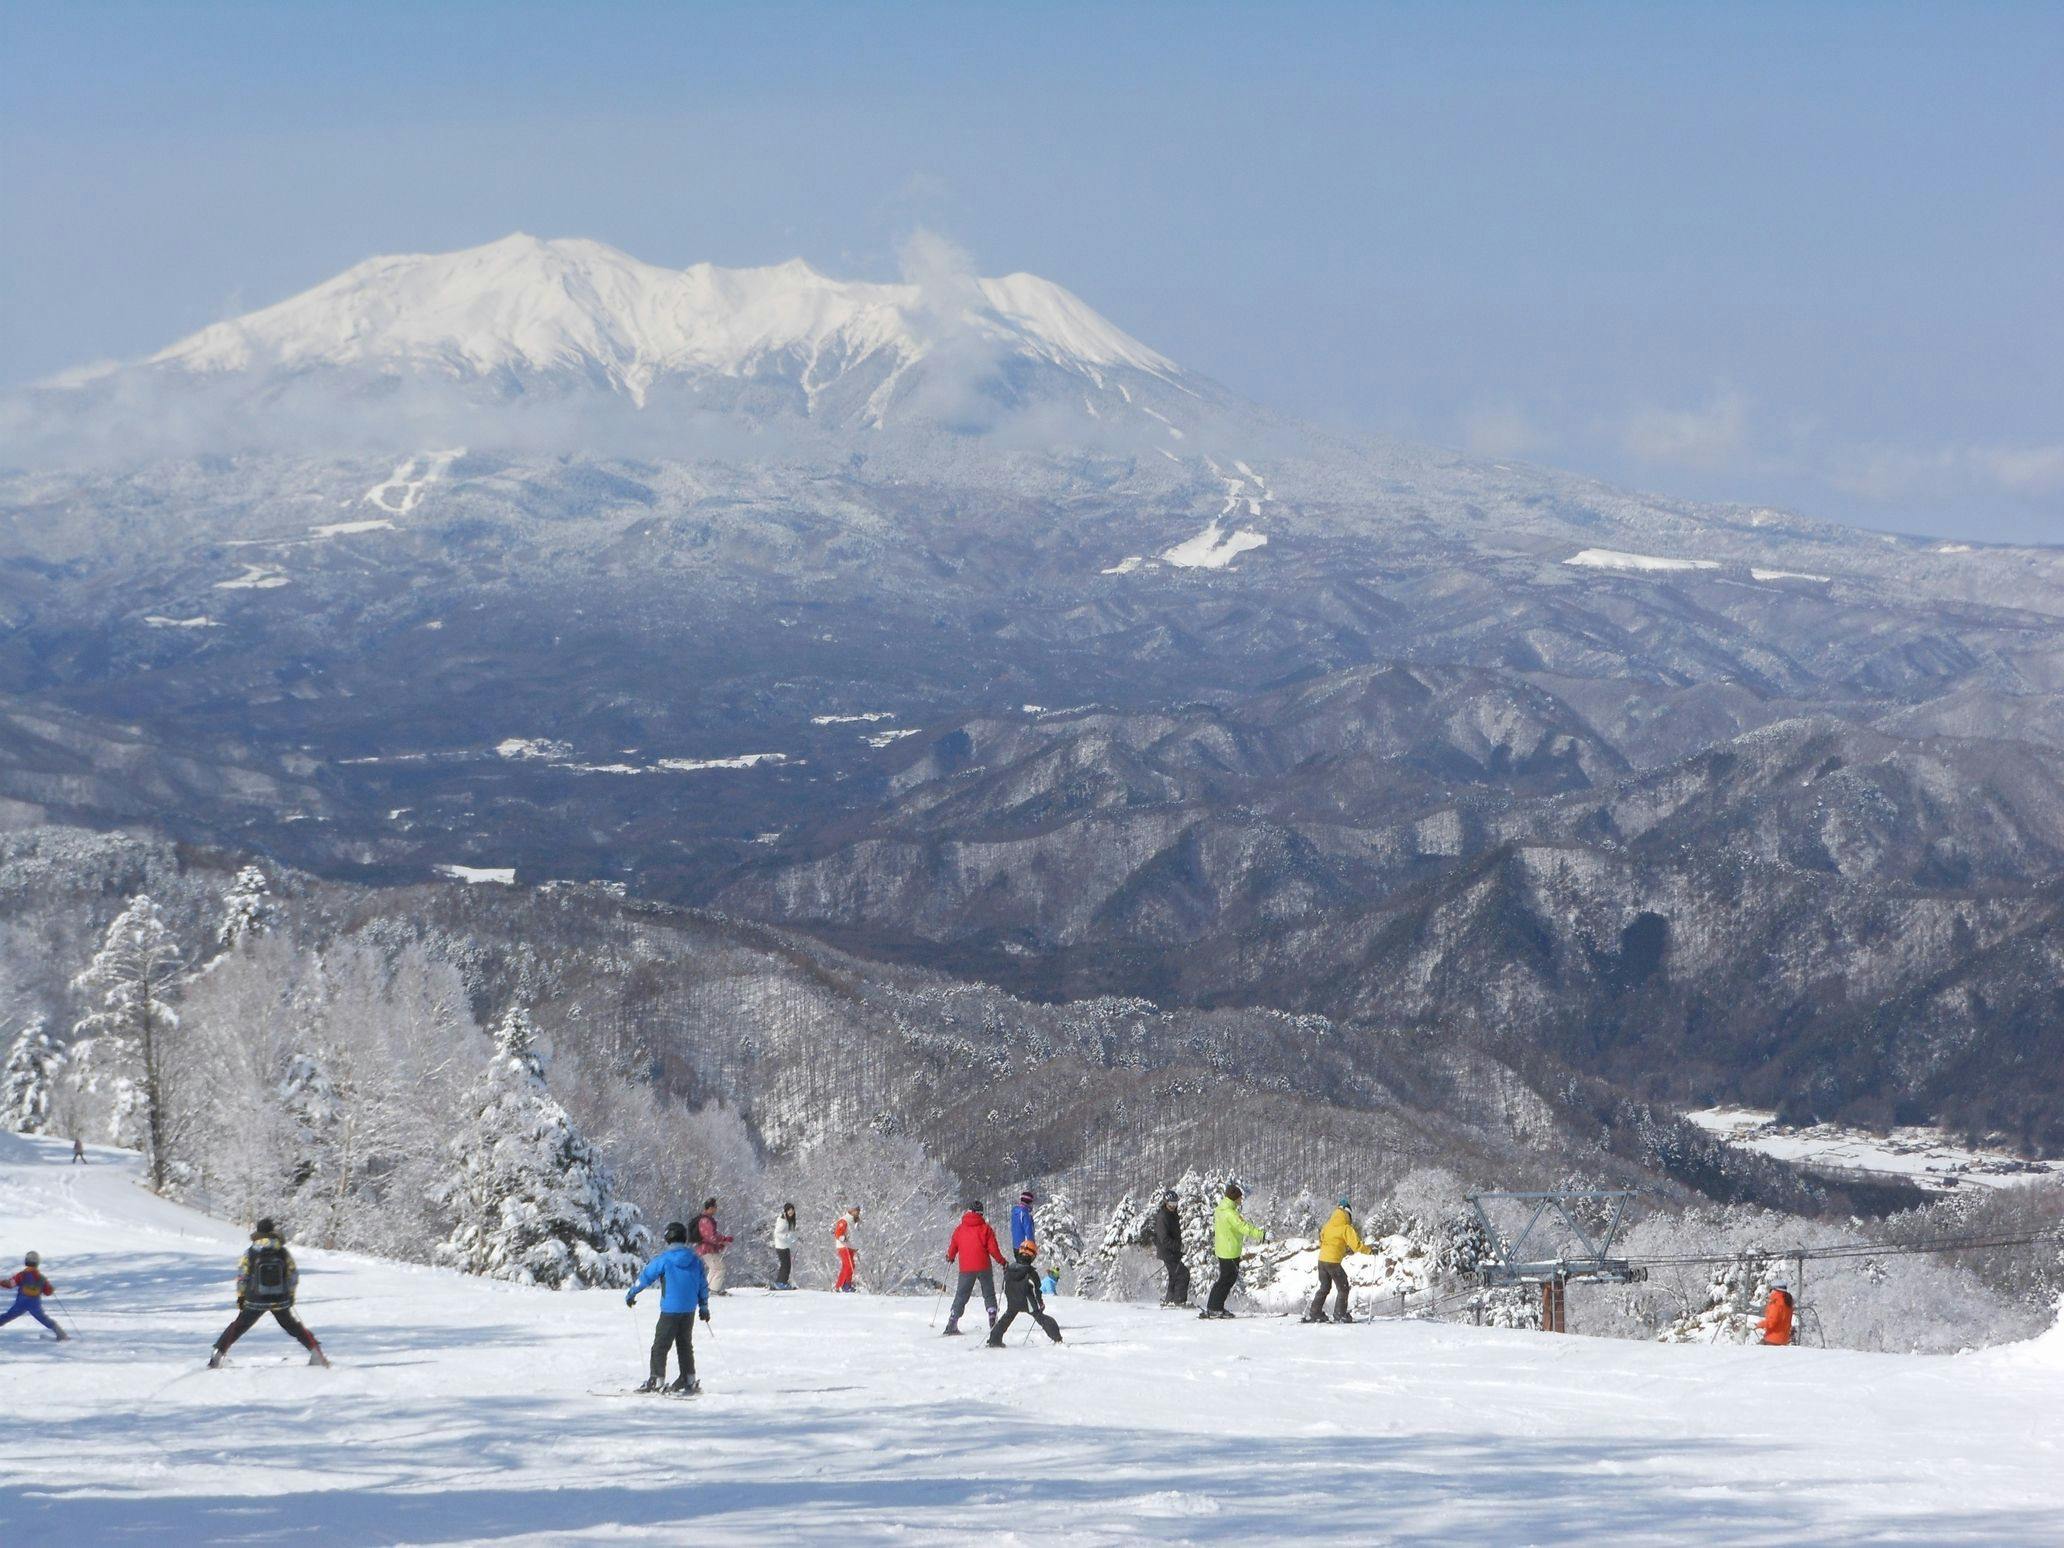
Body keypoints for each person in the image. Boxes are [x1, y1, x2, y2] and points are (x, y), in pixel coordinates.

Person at [209, 1219, 328, 1368]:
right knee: (293, 1326)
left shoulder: (251, 1252)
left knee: (238, 1326)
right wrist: (290, 1295)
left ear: (258, 1233)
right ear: (272, 1231)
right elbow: (293, 1275)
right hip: (280, 1299)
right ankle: (316, 1352)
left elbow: (242, 1277)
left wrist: (241, 1298)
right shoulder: (282, 1251)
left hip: (255, 1299)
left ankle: (217, 1354)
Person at [627, 1221, 711, 1394]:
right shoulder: (695, 1260)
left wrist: (632, 1293)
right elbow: (703, 1284)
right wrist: (704, 1306)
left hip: (670, 1309)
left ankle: (657, 1379)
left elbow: (645, 1277)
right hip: (689, 1309)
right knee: (685, 1344)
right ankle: (688, 1379)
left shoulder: (664, 1260)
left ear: (668, 1238)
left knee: (660, 1345)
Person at [942, 1200, 1007, 1336]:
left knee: (961, 1295)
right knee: (988, 1293)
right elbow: (993, 1249)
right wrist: (1002, 1262)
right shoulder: (986, 1228)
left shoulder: (960, 1229)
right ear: (981, 1213)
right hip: (984, 1265)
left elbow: (953, 1246)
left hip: (966, 1267)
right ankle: (992, 1318)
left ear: (969, 1211)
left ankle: (952, 1321)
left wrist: (950, 1256)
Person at [1202, 1181, 1263, 1319]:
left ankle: (1214, 1307)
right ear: (1235, 1198)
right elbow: (1244, 1227)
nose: (1242, 1200)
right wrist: (1262, 1235)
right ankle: (1215, 1308)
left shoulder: (1220, 1209)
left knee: (1225, 1279)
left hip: (1223, 1249)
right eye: (1240, 1198)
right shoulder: (1231, 1214)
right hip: (1229, 1251)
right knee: (1227, 1279)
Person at [1304, 1195, 1370, 1324]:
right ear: (1348, 1214)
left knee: (1324, 1287)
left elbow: (1322, 1239)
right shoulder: (1346, 1228)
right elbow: (1356, 1246)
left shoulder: (1327, 1225)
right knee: (1343, 1287)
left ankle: (1315, 1313)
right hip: (1333, 1262)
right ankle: (1340, 1315)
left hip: (1322, 1260)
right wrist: (1370, 1250)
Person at [988, 1239, 1063, 1347]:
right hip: (1027, 1301)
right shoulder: (1031, 1272)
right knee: (1041, 1318)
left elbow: (1005, 1285)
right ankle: (1057, 1338)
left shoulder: (1009, 1268)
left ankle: (994, 1340)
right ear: (1032, 1256)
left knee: (1006, 1319)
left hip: (1012, 1301)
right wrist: (1040, 1303)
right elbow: (1038, 1290)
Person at [1, 1252, 67, 1341]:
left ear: (26, 1262)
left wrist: (1, 1282)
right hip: (34, 1304)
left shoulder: (21, 1275)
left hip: (21, 1303)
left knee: (8, 1316)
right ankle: (61, 1334)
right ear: (37, 1263)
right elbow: (48, 1292)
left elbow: (10, 1284)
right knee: (43, 1318)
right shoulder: (41, 1278)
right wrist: (51, 1289)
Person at [1151, 1190, 1190, 1307]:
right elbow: (1164, 1238)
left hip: (1172, 1252)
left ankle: (1170, 1300)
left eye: (1175, 1204)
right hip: (1167, 1251)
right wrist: (1178, 1246)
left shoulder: (1172, 1214)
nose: (1173, 1206)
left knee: (1174, 1275)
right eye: (1171, 1204)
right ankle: (1178, 1301)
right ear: (1165, 1202)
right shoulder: (1163, 1216)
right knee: (1183, 1274)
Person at [690, 1197, 734, 1296]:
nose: (716, 1209)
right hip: (707, 1249)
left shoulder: (704, 1219)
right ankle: (714, 1290)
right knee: (720, 1268)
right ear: (710, 1208)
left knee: (714, 1268)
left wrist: (723, 1239)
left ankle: (708, 1289)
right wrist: (723, 1240)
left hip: (704, 1248)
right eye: (715, 1207)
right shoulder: (705, 1220)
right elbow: (710, 1236)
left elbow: (711, 1235)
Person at [833, 1205, 861, 1292]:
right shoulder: (844, 1220)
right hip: (843, 1246)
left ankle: (842, 1285)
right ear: (851, 1210)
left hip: (850, 1247)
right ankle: (843, 1285)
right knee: (849, 1265)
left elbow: (854, 1235)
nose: (857, 1212)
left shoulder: (853, 1222)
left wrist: (855, 1246)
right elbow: (838, 1233)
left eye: (858, 1211)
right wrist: (843, 1238)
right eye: (856, 1210)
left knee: (848, 1265)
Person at [771, 1203, 799, 1290]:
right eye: (789, 1210)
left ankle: (781, 1282)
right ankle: (781, 1282)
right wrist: (786, 1237)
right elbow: (776, 1233)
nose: (791, 1212)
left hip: (786, 1245)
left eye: (792, 1210)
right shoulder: (782, 1220)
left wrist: (795, 1238)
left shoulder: (789, 1220)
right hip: (781, 1246)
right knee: (785, 1264)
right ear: (786, 1211)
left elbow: (791, 1233)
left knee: (787, 1264)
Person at [1760, 1279, 1795, 1346]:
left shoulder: (1776, 1303)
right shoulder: (1787, 1302)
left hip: (1772, 1339)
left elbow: (1772, 1322)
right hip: (1783, 1339)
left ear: (1775, 1290)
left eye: (1771, 1290)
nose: (1770, 1292)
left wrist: (1760, 1324)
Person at [1010, 1190, 1037, 1254]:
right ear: (1029, 1202)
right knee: (1025, 1264)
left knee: (1018, 1263)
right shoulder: (1025, 1214)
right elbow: (1029, 1232)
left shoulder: (1015, 1212)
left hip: (1015, 1245)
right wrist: (1033, 1246)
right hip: (1025, 1247)